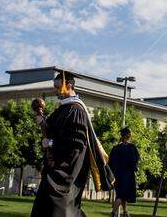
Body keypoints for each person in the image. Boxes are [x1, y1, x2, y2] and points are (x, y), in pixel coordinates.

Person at [31, 71, 113, 217]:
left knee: (59, 208)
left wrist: (50, 143)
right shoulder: (64, 108)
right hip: (56, 166)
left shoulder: (76, 110)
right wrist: (43, 123)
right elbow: (53, 131)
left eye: (58, 87)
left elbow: (75, 144)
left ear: (68, 86)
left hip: (67, 170)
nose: (55, 91)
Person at [108, 127, 140, 217]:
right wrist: (135, 167)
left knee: (122, 194)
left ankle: (125, 212)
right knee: (121, 196)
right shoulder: (131, 148)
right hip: (127, 175)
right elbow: (135, 160)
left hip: (117, 176)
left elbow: (110, 162)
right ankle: (113, 213)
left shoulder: (115, 148)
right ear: (128, 135)